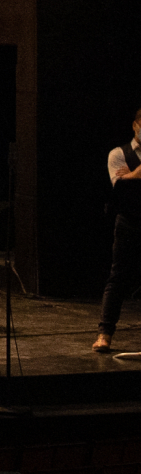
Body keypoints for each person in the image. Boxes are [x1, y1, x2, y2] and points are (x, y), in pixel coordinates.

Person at [97, 107, 141, 353]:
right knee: (118, 277)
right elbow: (119, 185)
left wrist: (132, 175)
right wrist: (135, 175)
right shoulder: (118, 154)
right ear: (135, 126)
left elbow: (129, 179)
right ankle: (105, 334)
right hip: (129, 222)